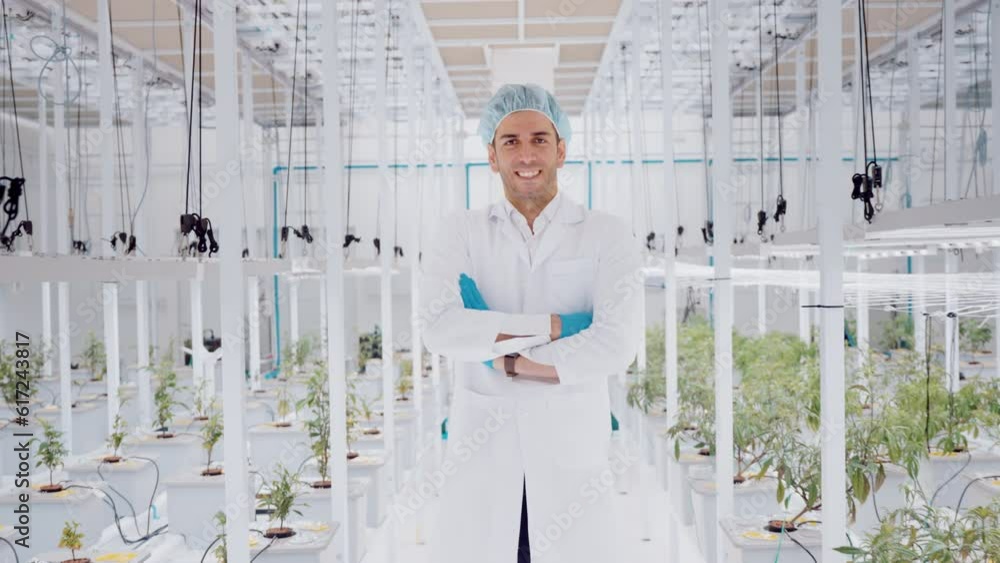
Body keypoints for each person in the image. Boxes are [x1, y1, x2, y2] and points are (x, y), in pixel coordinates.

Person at [420, 83, 643, 563]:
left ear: (562, 150)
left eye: (540, 139)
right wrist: (563, 325)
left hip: (571, 453)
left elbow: (615, 342)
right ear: (491, 155)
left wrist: (511, 362)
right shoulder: (459, 232)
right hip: (484, 449)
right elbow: (440, 327)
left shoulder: (606, 233)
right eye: (510, 141)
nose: (526, 154)